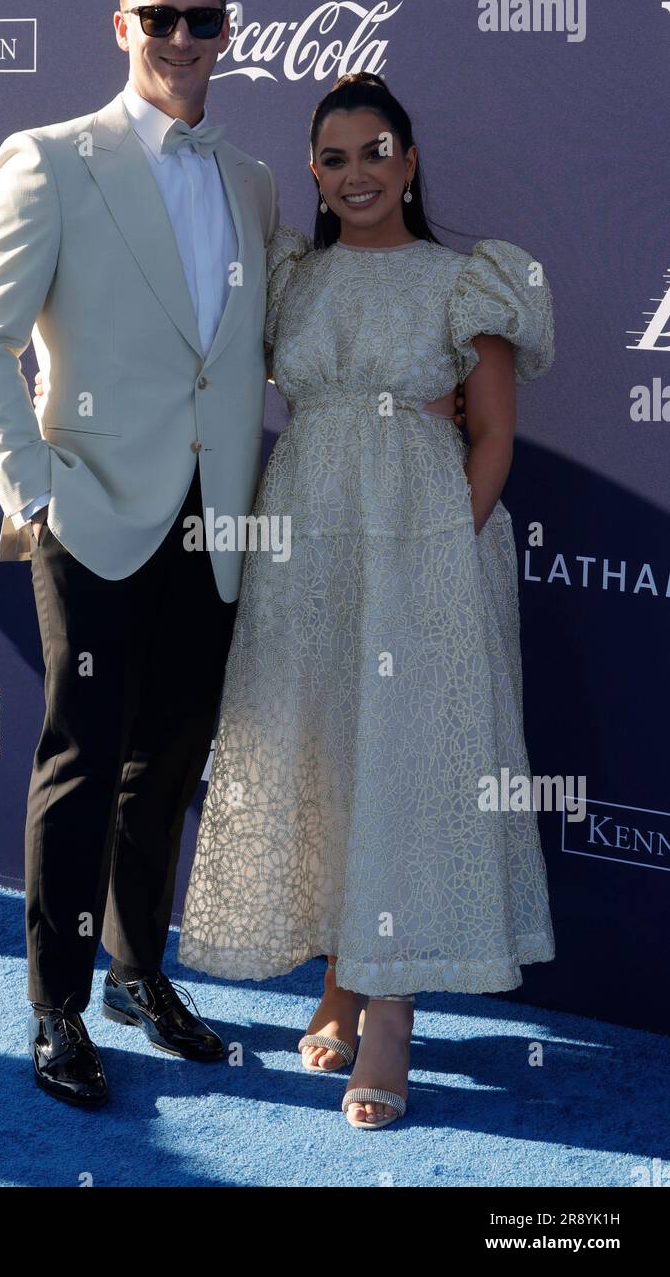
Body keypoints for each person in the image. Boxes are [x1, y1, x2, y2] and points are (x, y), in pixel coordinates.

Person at [177, 71, 557, 1129]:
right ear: (313, 170)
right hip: (305, 550)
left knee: (402, 763)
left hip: (423, 549)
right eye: (334, 157)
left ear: (409, 160)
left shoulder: (464, 279)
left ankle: (387, 1016)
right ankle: (341, 978)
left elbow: (490, 436)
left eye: (375, 151)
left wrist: (444, 546)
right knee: (327, 758)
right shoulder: (292, 278)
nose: (356, 174)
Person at [0, 0, 281, 1108]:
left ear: (227, 32)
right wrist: (33, 493)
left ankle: (143, 969)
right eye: (158, 18)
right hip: (88, 511)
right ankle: (57, 1005)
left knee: (171, 757)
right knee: (83, 759)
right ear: (119, 25)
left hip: (216, 521)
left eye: (202, 20)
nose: (181, 39)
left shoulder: (249, 181)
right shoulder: (49, 159)